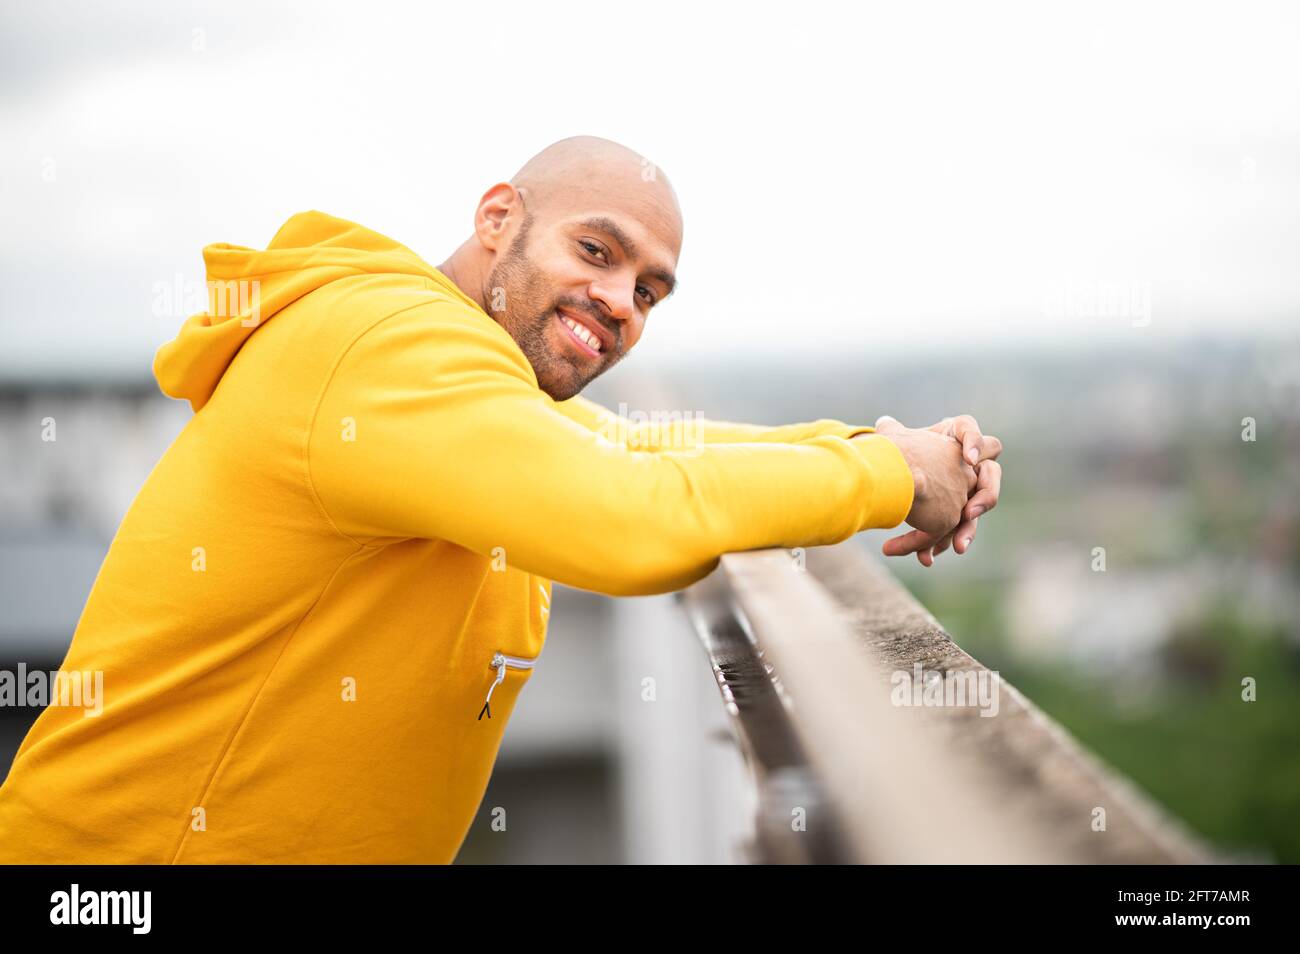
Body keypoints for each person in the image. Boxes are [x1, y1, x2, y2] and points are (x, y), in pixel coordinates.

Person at [0, 135, 1002, 863]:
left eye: (649, 292)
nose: (618, 302)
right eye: (596, 252)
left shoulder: (465, 380)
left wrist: (877, 450)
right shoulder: (384, 345)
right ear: (498, 218)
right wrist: (895, 479)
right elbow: (629, 519)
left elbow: (646, 453)